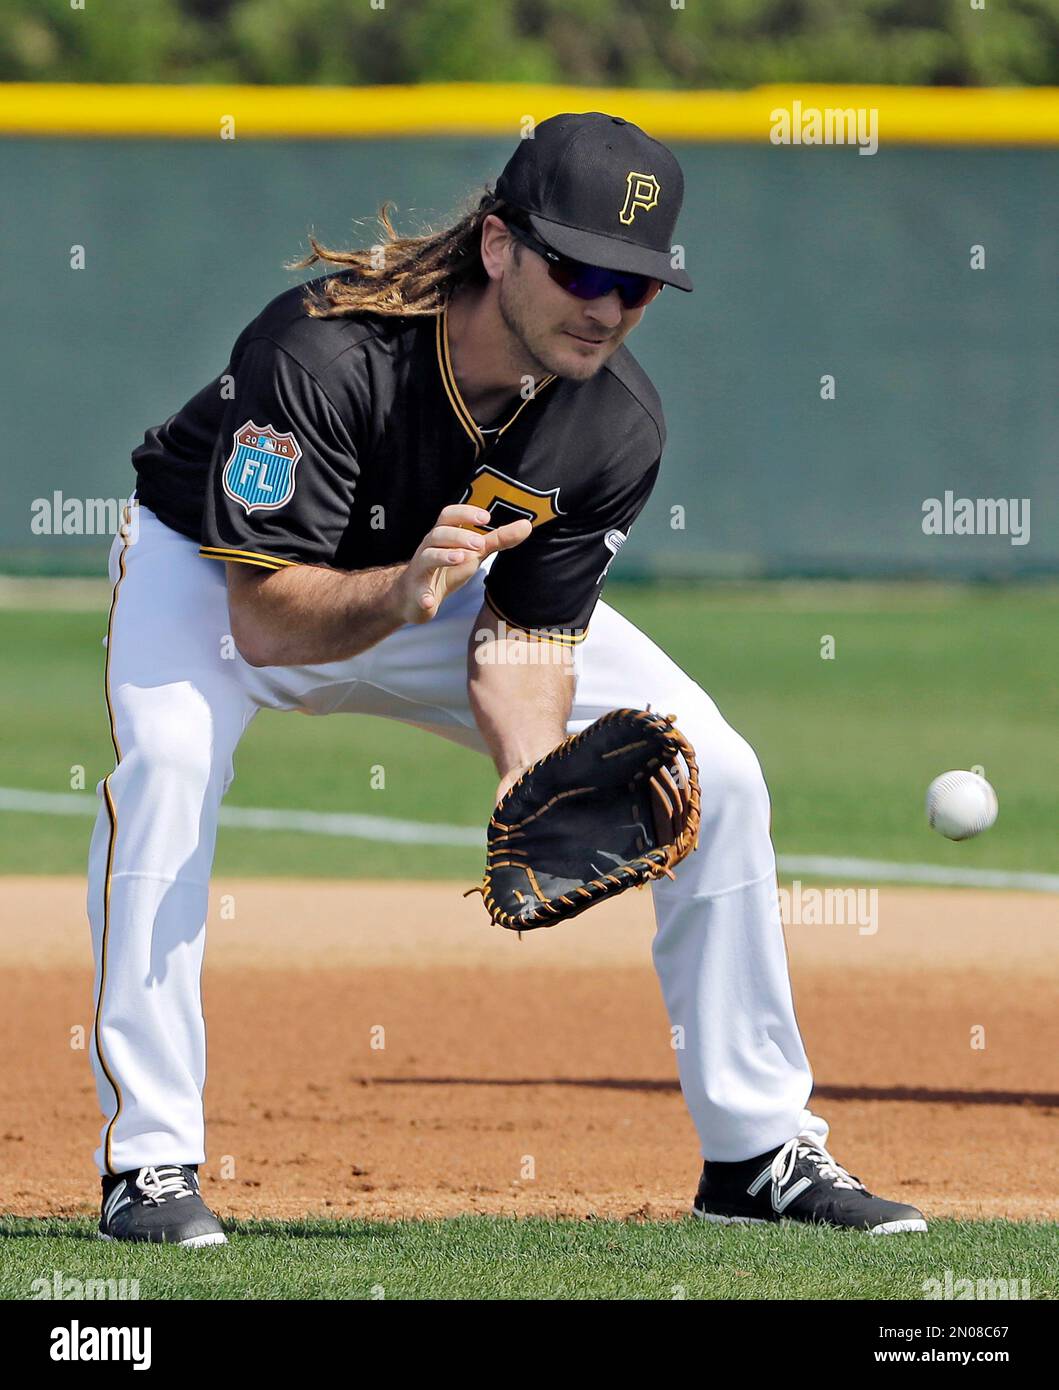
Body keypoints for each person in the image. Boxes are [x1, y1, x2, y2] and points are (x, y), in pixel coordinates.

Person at [89, 112, 926, 1246]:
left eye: (638, 287)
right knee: (170, 767)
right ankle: (150, 1165)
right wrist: (396, 591)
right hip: (228, 575)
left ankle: (756, 1153)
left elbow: (527, 634)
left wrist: (533, 781)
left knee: (716, 772)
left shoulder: (614, 424)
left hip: (443, 592)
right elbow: (269, 624)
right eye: (582, 267)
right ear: (498, 246)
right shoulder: (320, 355)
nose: (607, 306)